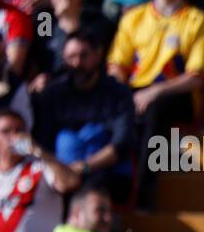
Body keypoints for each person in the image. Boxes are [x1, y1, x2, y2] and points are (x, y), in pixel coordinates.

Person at [107, 0, 204, 208]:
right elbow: (117, 65)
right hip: (135, 92)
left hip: (176, 96)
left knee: (153, 111)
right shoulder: (134, 18)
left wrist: (156, 91)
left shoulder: (196, 20)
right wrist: (122, 94)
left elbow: (198, 76)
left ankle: (143, 194)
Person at [32, 29, 136, 203]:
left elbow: (122, 144)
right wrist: (63, 171)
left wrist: (85, 167)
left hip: (105, 172)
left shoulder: (118, 94)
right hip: (61, 173)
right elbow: (43, 143)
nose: (77, 63)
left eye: (83, 56)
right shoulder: (53, 94)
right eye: (71, 57)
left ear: (97, 55)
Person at [0, 108, 82, 232]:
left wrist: (39, 151)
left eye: (19, 130)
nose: (14, 136)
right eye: (6, 131)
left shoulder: (41, 165)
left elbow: (71, 183)